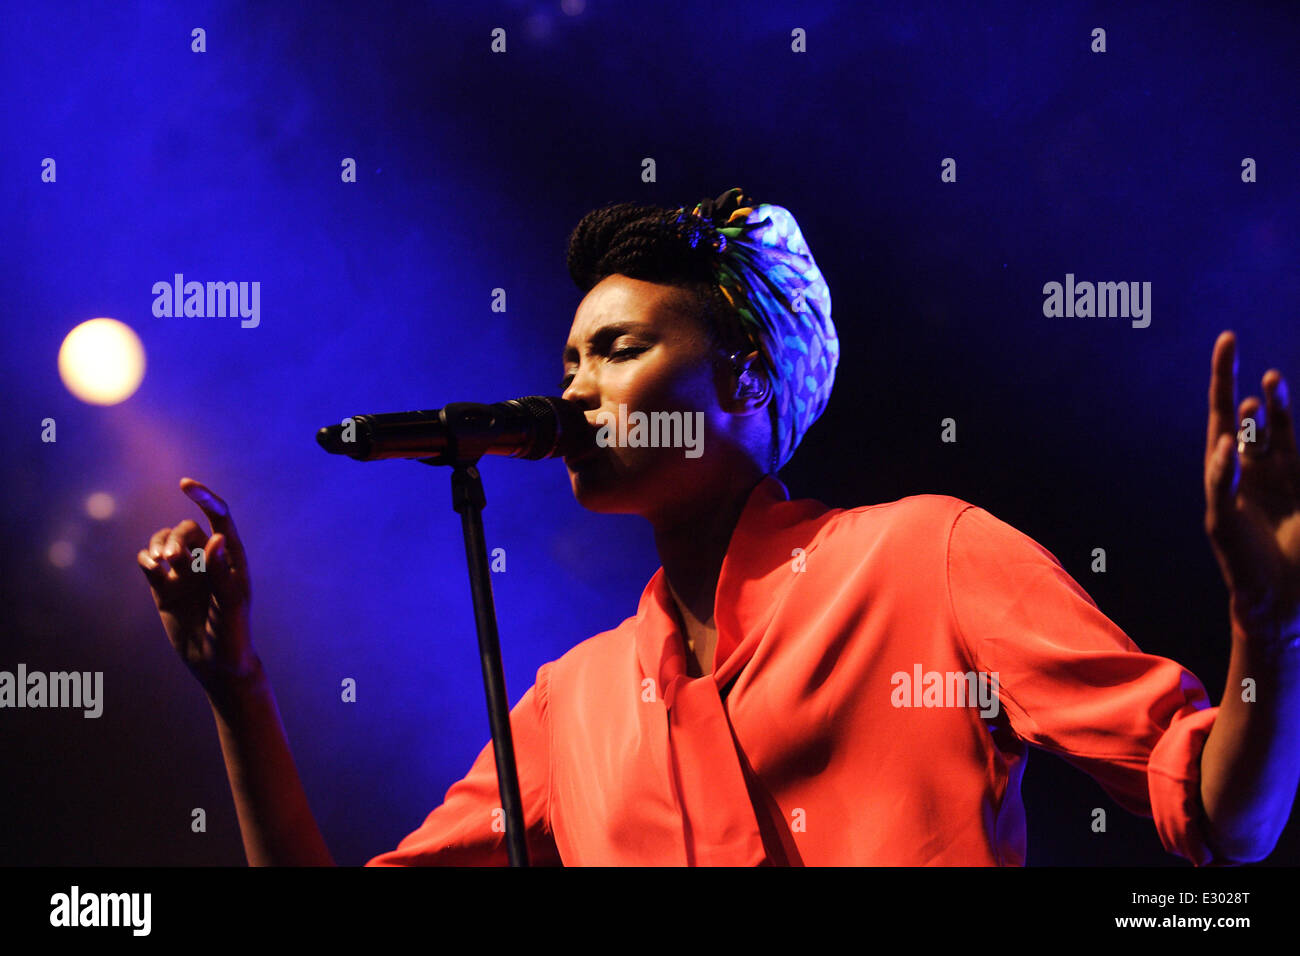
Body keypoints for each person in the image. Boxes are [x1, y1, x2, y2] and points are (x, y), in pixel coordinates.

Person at [138, 187, 1300, 866]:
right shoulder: (571, 701)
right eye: (567, 360)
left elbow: (1216, 810)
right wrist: (236, 684)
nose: (574, 391)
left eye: (620, 350)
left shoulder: (927, 556)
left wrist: (1268, 624)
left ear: (744, 376)